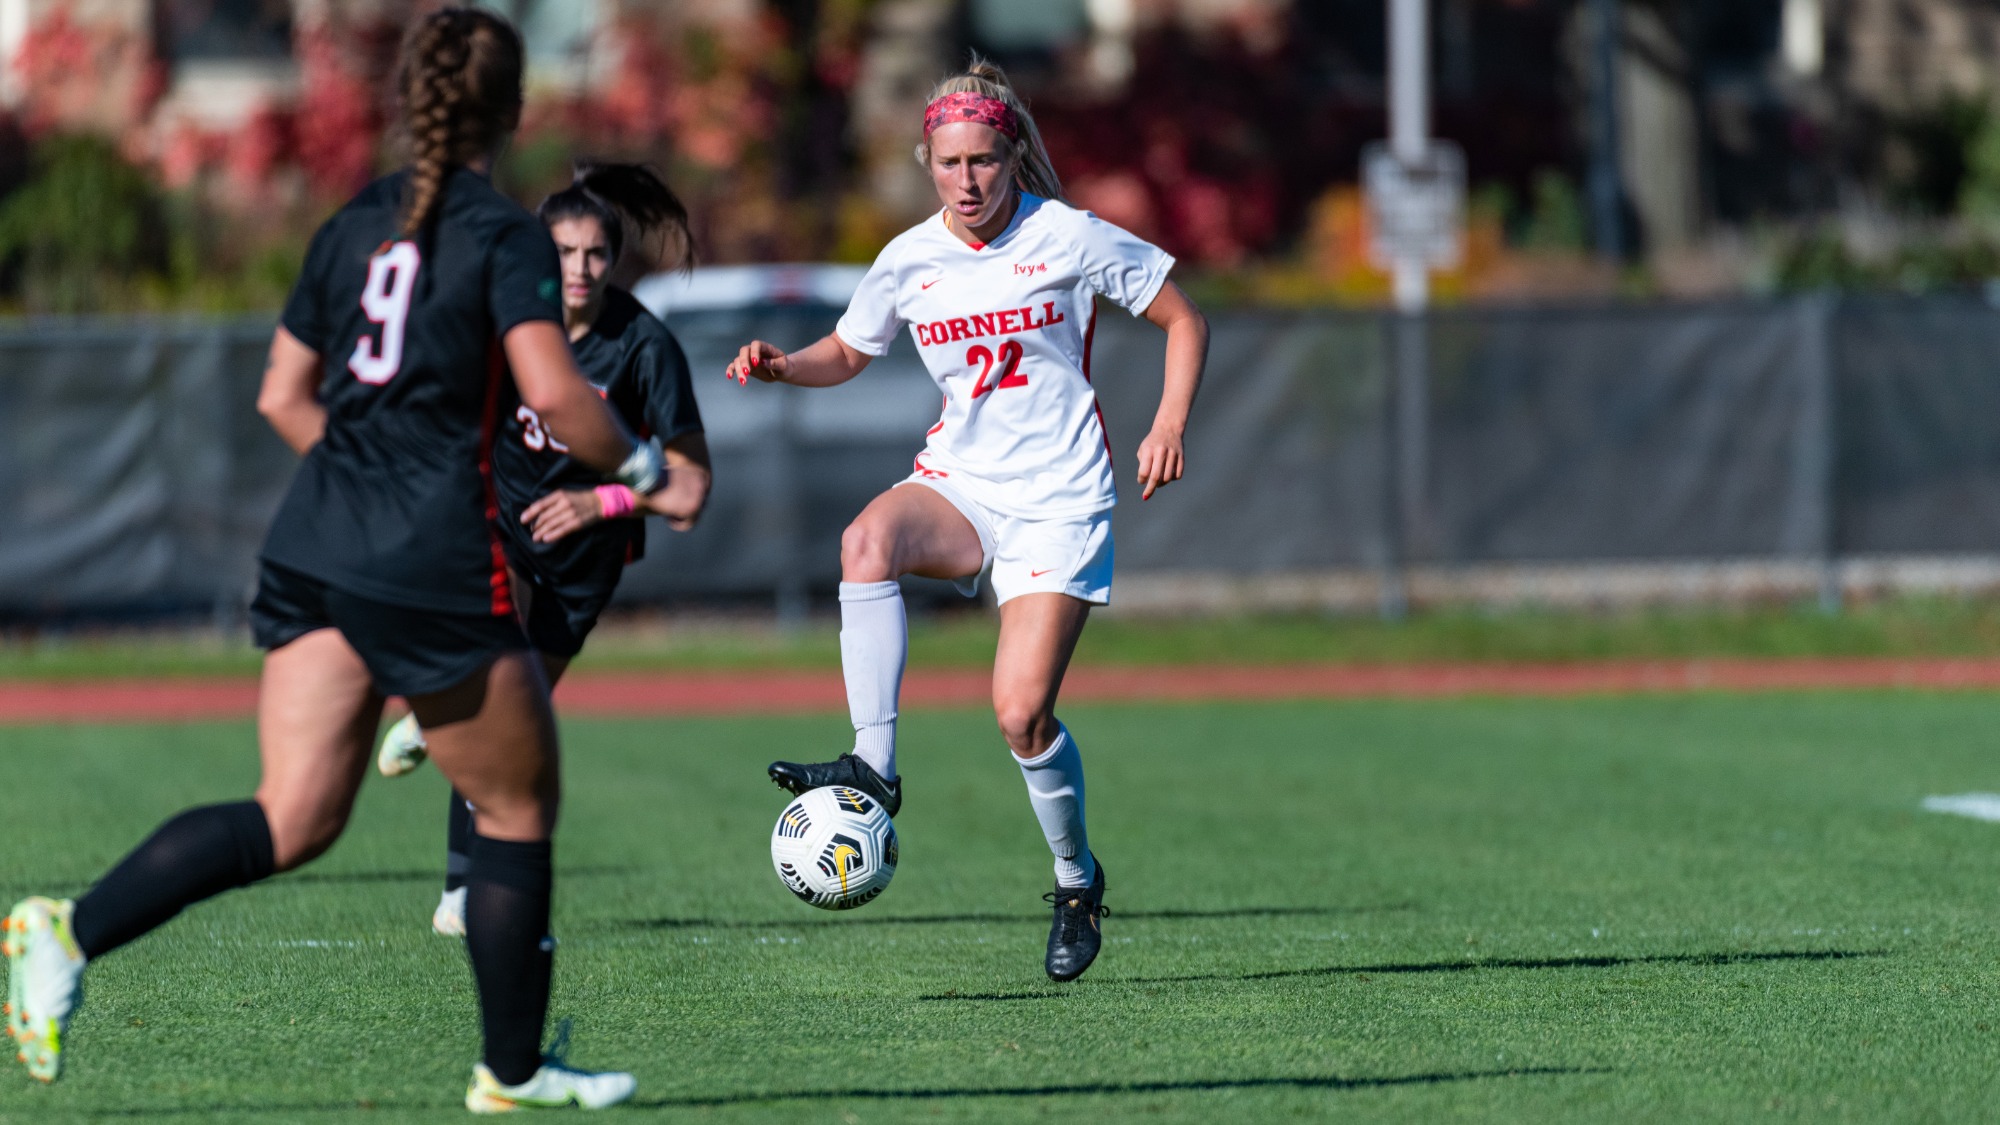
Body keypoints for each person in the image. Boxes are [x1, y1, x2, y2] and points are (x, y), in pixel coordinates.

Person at [2, 9, 650, 1111]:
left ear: (410, 99)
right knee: (514, 808)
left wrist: (365, 478)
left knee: (293, 815)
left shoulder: (351, 224)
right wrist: (644, 465)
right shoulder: (502, 235)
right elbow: (552, 394)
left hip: (314, 544)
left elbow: (278, 395)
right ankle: (510, 1074)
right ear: (511, 109)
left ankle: (64, 930)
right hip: (425, 559)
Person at [725, 57, 1208, 982]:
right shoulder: (909, 259)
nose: (968, 180)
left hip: (1060, 499)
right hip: (964, 482)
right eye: (949, 164)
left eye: (984, 160)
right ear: (928, 162)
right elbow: (849, 350)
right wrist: (786, 364)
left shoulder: (1065, 235)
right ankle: (873, 768)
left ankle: (1075, 880)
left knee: (1021, 715)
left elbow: (1186, 320)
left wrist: (1170, 422)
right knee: (866, 540)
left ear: (1012, 153)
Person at [374, 161, 712, 938]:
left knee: (509, 727)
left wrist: (602, 499)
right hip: (498, 525)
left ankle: (440, 723)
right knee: (494, 684)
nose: (580, 269)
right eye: (563, 252)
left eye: (596, 253)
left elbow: (691, 488)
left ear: (614, 259)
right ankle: (466, 892)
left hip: (584, 565)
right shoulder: (508, 326)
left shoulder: (642, 347)